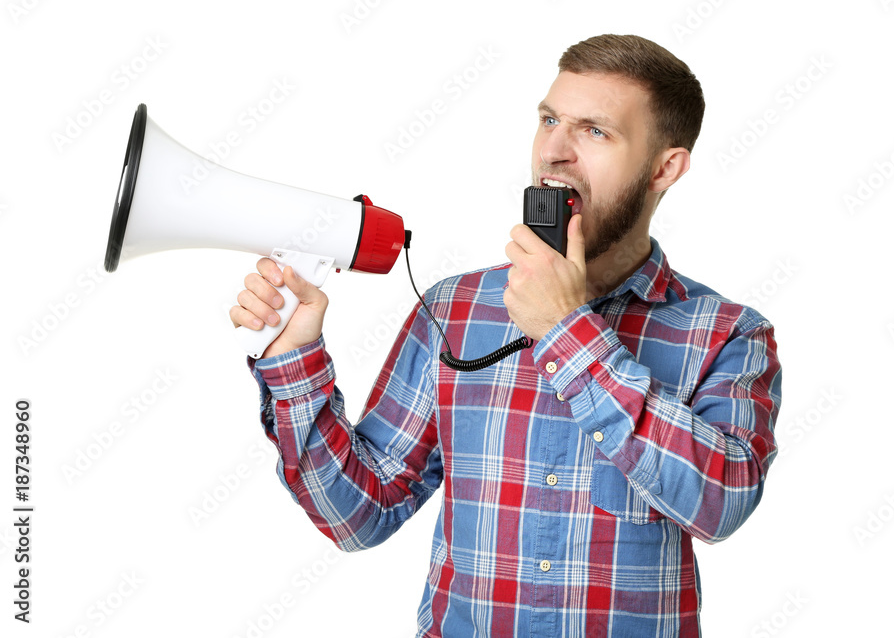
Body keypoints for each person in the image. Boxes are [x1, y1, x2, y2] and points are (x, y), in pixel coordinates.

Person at [230, 34, 781, 637]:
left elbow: (722, 503)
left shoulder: (729, 333)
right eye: (549, 120)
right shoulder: (455, 309)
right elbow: (359, 516)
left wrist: (566, 330)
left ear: (663, 168)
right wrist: (294, 360)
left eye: (595, 131)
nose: (555, 152)